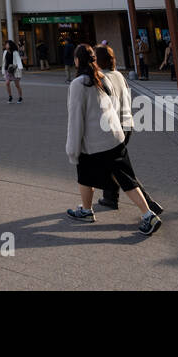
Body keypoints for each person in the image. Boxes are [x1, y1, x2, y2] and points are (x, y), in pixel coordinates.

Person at [65, 44, 161, 235]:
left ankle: (86, 211)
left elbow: (76, 119)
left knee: (84, 175)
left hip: (94, 143)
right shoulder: (102, 77)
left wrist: (72, 149)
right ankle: (147, 214)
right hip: (115, 137)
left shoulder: (78, 84)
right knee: (126, 179)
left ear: (77, 60)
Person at [95, 44, 164, 217]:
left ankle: (148, 204)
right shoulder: (119, 75)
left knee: (120, 169)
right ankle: (110, 197)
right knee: (110, 164)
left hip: (113, 127)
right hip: (127, 124)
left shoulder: (101, 78)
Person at [3, 38, 24, 103]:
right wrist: (3, 70)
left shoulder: (15, 52)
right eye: (5, 44)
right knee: (7, 83)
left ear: (10, 45)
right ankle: (10, 97)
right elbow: (3, 61)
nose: (6, 46)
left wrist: (20, 69)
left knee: (17, 85)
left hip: (14, 70)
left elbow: (18, 61)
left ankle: (20, 97)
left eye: (7, 44)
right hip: (8, 70)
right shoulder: (5, 52)